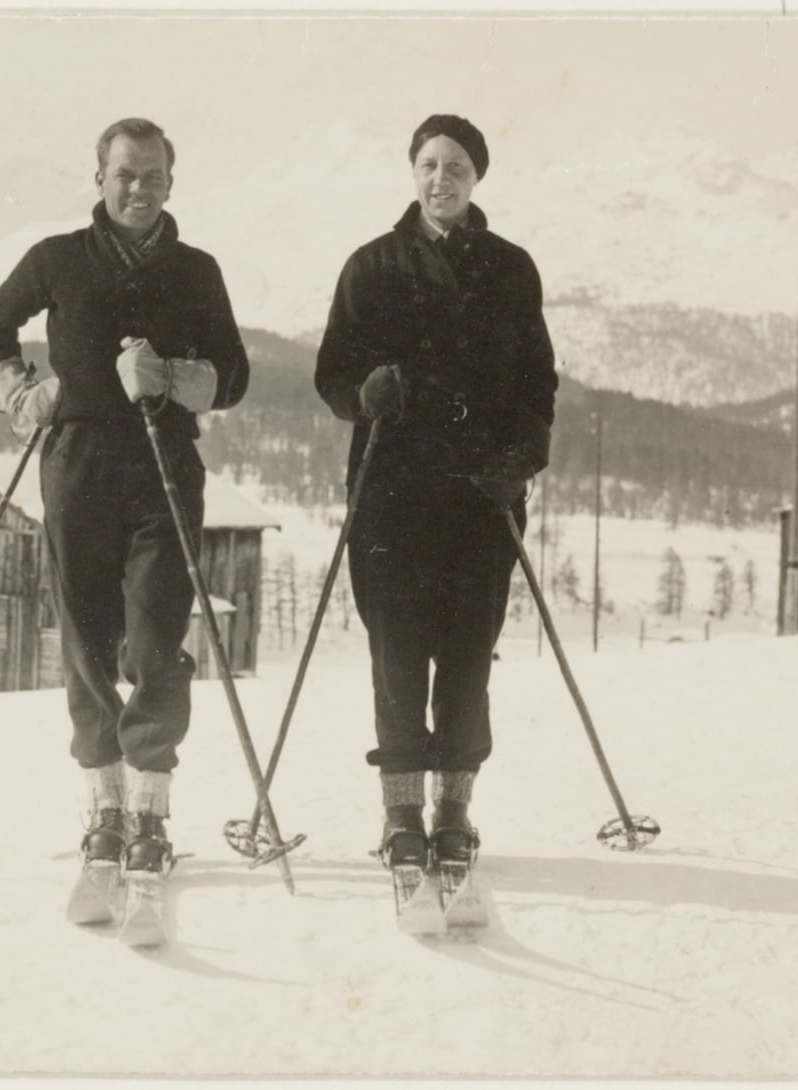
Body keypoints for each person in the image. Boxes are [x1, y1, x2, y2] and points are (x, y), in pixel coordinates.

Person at [0, 118, 249, 900]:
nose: (138, 188)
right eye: (125, 173)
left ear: (170, 181)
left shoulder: (196, 269)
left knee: (158, 637)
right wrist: (24, 390)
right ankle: (104, 811)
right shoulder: (56, 259)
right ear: (99, 178)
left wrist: (171, 377)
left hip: (164, 465)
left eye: (153, 174)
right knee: (87, 638)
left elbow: (234, 374)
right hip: (78, 465)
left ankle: (150, 814)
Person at [315, 114, 557, 869]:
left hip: (480, 496)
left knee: (465, 658)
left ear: (475, 177)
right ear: (411, 170)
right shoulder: (371, 266)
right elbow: (329, 377)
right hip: (390, 493)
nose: (441, 178)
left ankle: (453, 812)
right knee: (397, 653)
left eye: (456, 166)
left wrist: (521, 457)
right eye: (428, 163)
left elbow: (535, 383)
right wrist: (365, 392)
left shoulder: (511, 268)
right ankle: (400, 815)